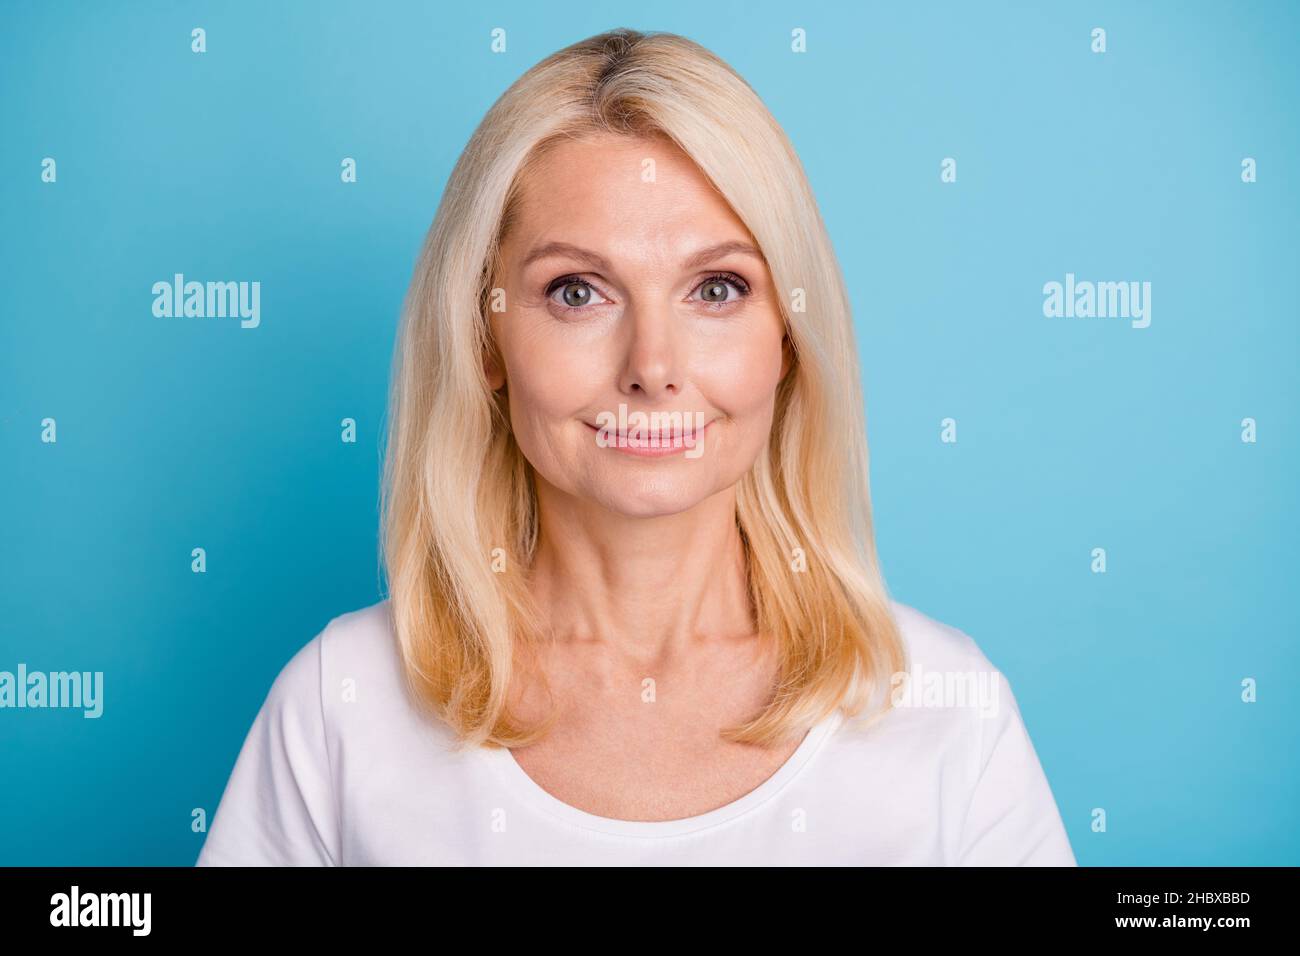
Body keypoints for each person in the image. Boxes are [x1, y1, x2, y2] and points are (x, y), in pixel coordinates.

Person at [196, 27, 1075, 866]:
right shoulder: (340, 706)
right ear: (483, 338)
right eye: (578, 292)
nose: (652, 367)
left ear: (790, 338)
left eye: (718, 288)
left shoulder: (948, 710)